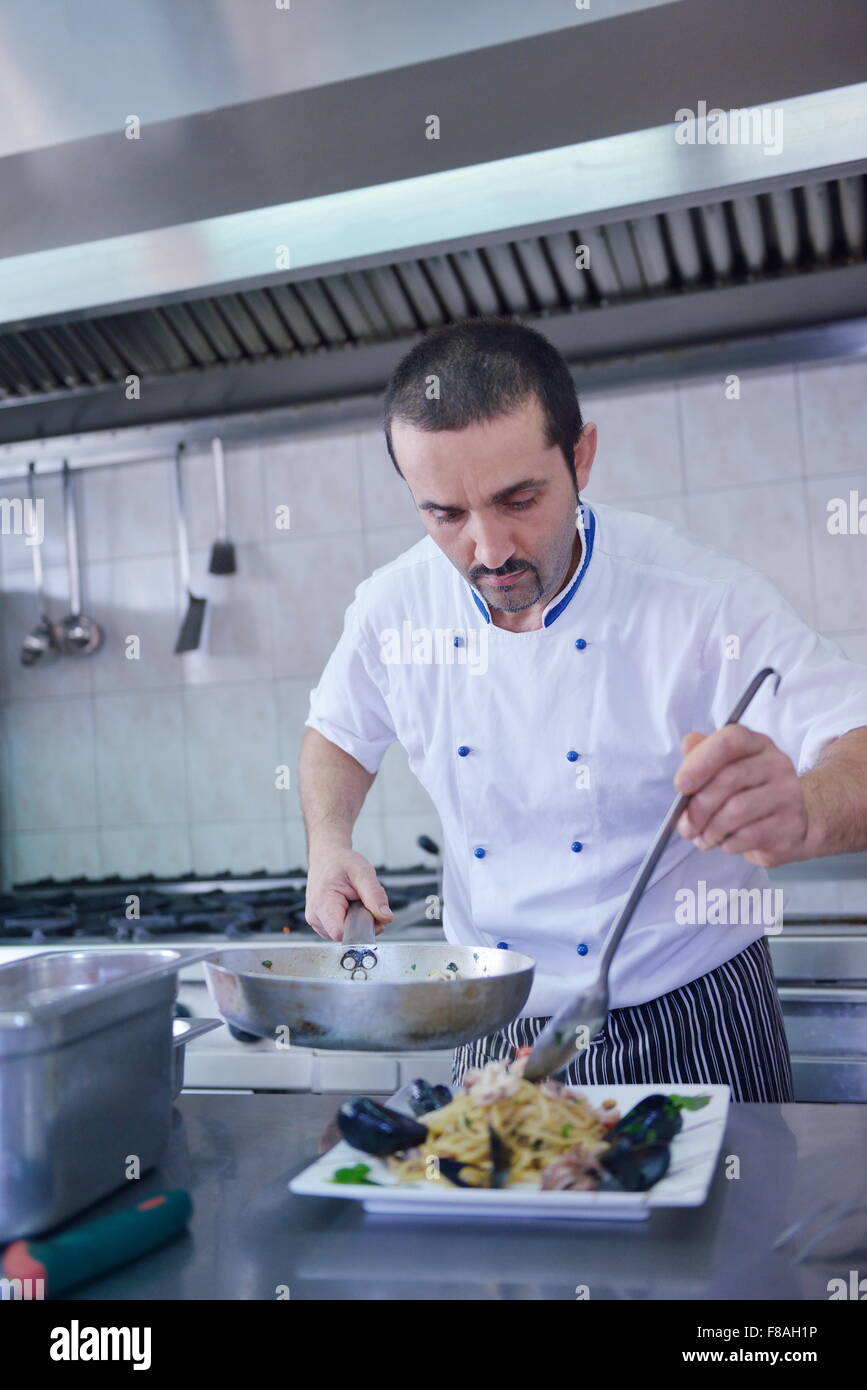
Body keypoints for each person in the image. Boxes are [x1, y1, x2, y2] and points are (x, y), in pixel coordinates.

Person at [299, 316, 867, 1101]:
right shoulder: (393, 607)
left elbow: (856, 737)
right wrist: (328, 842)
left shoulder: (697, 599)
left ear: (581, 457)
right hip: (494, 1017)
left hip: (692, 1014)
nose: (490, 549)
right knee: (500, 1224)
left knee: (731, 1224)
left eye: (519, 498)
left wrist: (801, 812)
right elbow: (337, 733)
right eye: (446, 516)